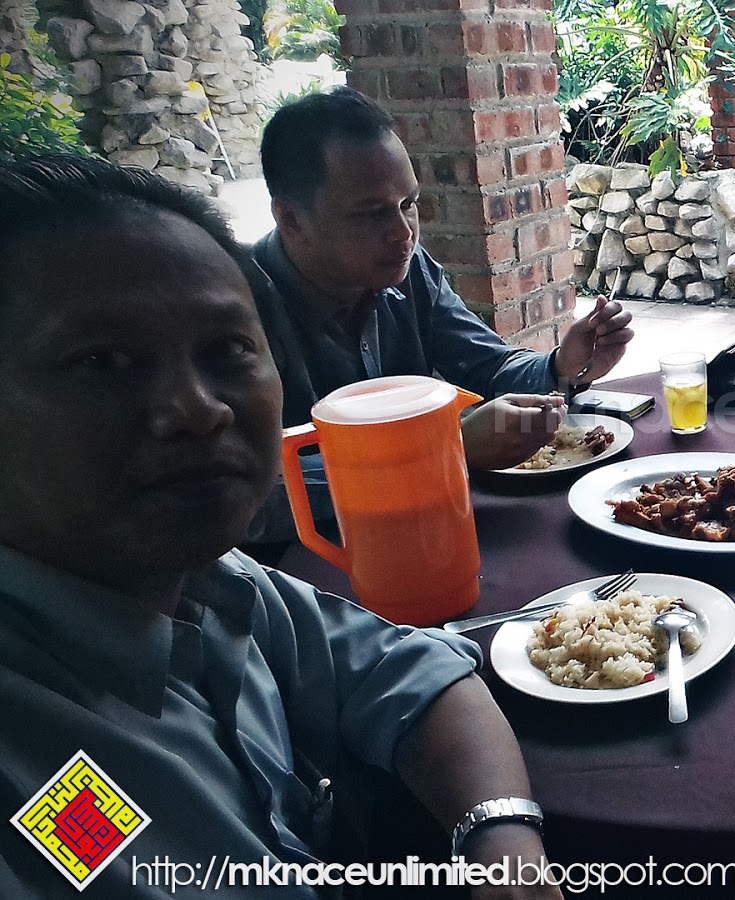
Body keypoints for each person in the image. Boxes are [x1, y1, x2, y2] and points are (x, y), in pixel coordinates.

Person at [0, 156, 561, 898]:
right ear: (292, 220)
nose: (196, 409)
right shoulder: (40, 771)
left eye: (226, 349)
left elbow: (407, 671)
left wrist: (502, 847)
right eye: (103, 361)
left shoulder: (213, 585)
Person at [249, 87, 633, 541]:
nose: (402, 232)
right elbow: (255, 498)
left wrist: (561, 366)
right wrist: (446, 451)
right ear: (291, 219)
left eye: (409, 205)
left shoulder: (409, 273)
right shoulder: (235, 310)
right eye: (371, 214)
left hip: (431, 535)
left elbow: (488, 367)